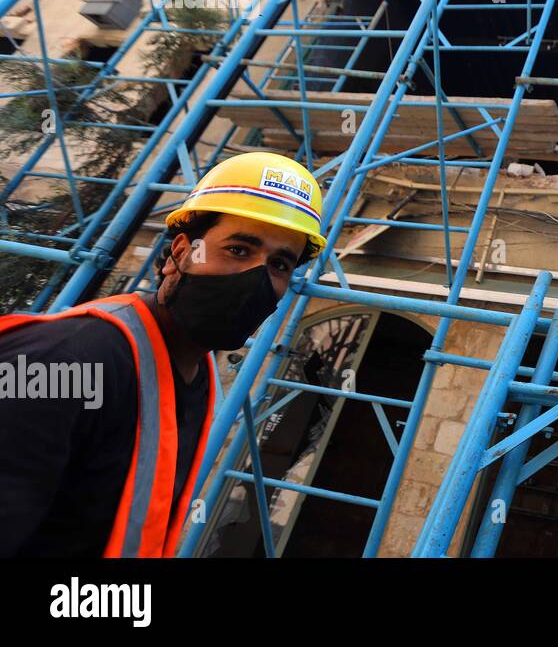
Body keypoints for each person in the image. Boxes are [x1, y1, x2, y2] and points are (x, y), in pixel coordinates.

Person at [0, 151, 327, 557]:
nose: (258, 278)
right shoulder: (69, 360)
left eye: (279, 263)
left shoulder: (194, 374)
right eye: (239, 250)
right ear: (181, 252)